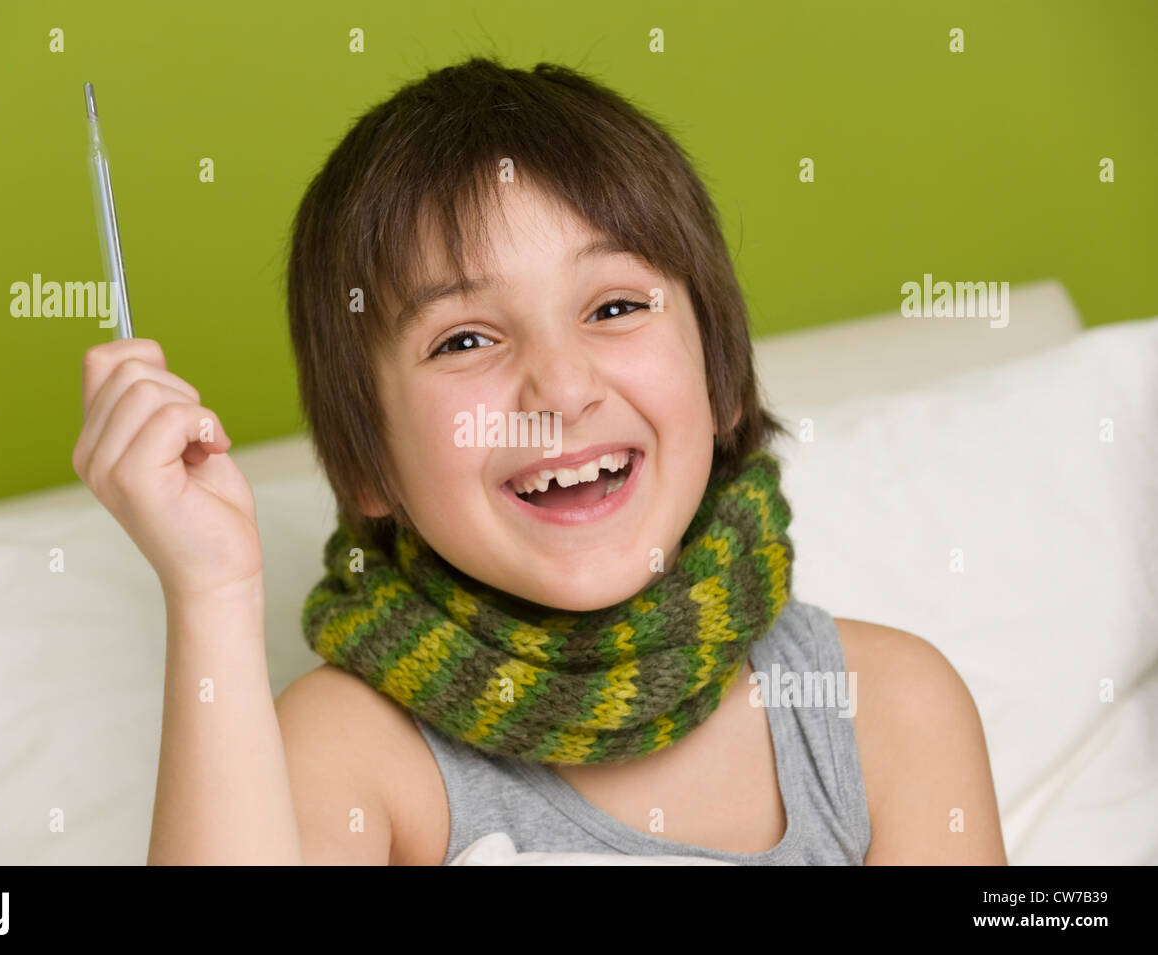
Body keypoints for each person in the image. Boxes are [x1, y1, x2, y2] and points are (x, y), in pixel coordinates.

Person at [71, 57, 1006, 865]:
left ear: (722, 379)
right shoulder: (355, 750)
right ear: (369, 471)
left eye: (614, 308)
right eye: (465, 339)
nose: (560, 388)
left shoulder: (884, 709)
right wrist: (211, 591)